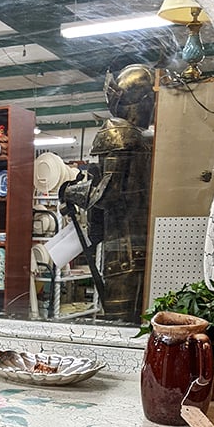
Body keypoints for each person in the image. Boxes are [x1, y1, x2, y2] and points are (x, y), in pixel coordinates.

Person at [86, 64, 155, 323]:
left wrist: (70, 191)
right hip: (141, 245)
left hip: (122, 250)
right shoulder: (147, 138)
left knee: (119, 325)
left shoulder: (117, 131)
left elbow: (107, 195)